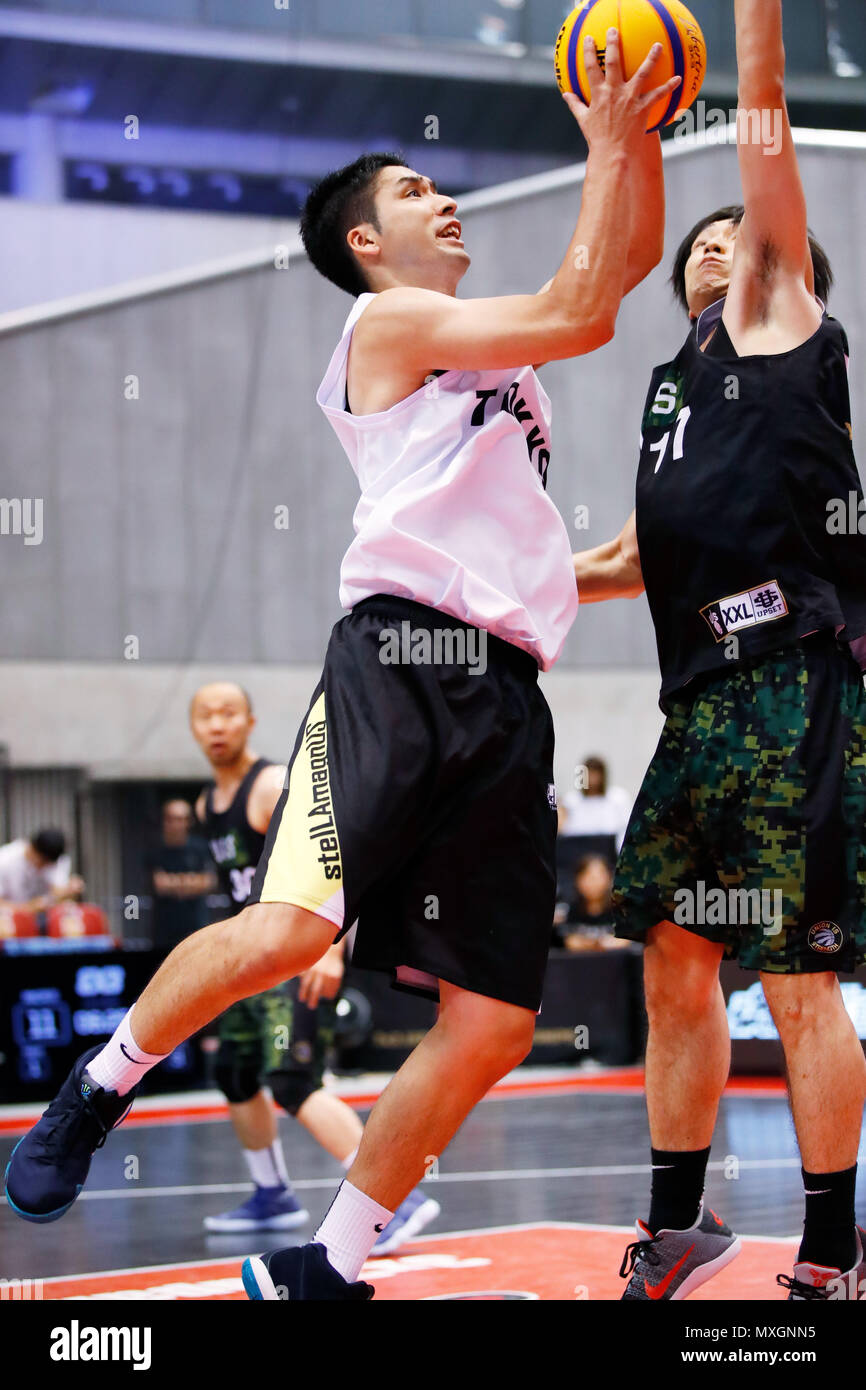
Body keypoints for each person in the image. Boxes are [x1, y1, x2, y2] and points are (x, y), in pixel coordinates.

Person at [6, 33, 680, 1301]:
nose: (442, 198)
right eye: (414, 191)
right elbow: (590, 301)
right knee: (287, 926)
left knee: (490, 1020)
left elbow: (622, 263)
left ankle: (332, 1259)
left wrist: (635, 128)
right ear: (365, 243)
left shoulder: (488, 350)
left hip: (507, 693)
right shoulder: (388, 321)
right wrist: (602, 141)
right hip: (396, 668)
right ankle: (97, 1087)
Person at [573, 0, 866, 1302]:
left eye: (727, 233)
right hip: (693, 707)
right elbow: (629, 560)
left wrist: (753, 22)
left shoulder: (777, 312)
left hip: (787, 679)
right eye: (694, 243)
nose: (710, 246)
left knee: (795, 976)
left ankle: (826, 1243)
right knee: (673, 960)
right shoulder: (673, 389)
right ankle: (679, 1221)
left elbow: (761, 128)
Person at [191, 680, 439, 1249]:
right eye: (206, 716)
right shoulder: (208, 804)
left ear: (250, 722)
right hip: (247, 966)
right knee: (234, 1072)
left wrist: (331, 946)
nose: (218, 725)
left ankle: (396, 1201)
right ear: (195, 728)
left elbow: (341, 854)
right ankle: (271, 1193)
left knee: (292, 1080)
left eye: (229, 713)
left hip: (296, 958)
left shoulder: (272, 785)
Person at [144, 800, 216, 949]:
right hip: (163, 930)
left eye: (182, 819)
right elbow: (160, 885)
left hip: (196, 927)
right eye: (173, 819)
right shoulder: (155, 849)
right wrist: (191, 881)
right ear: (165, 821)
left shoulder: (200, 848)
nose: (178, 825)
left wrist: (173, 882)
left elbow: (208, 882)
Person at [0, 828, 83, 913]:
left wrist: (69, 891)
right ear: (32, 848)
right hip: (11, 918)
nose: (44, 867)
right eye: (42, 862)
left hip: (43, 918)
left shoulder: (57, 860)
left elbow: (57, 892)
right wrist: (28, 908)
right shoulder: (5, 859)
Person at [558, 755, 632, 848]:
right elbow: (564, 831)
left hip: (609, 852)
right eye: (589, 773)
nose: (592, 778)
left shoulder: (618, 798)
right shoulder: (571, 801)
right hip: (579, 852)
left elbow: (625, 829)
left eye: (595, 773)